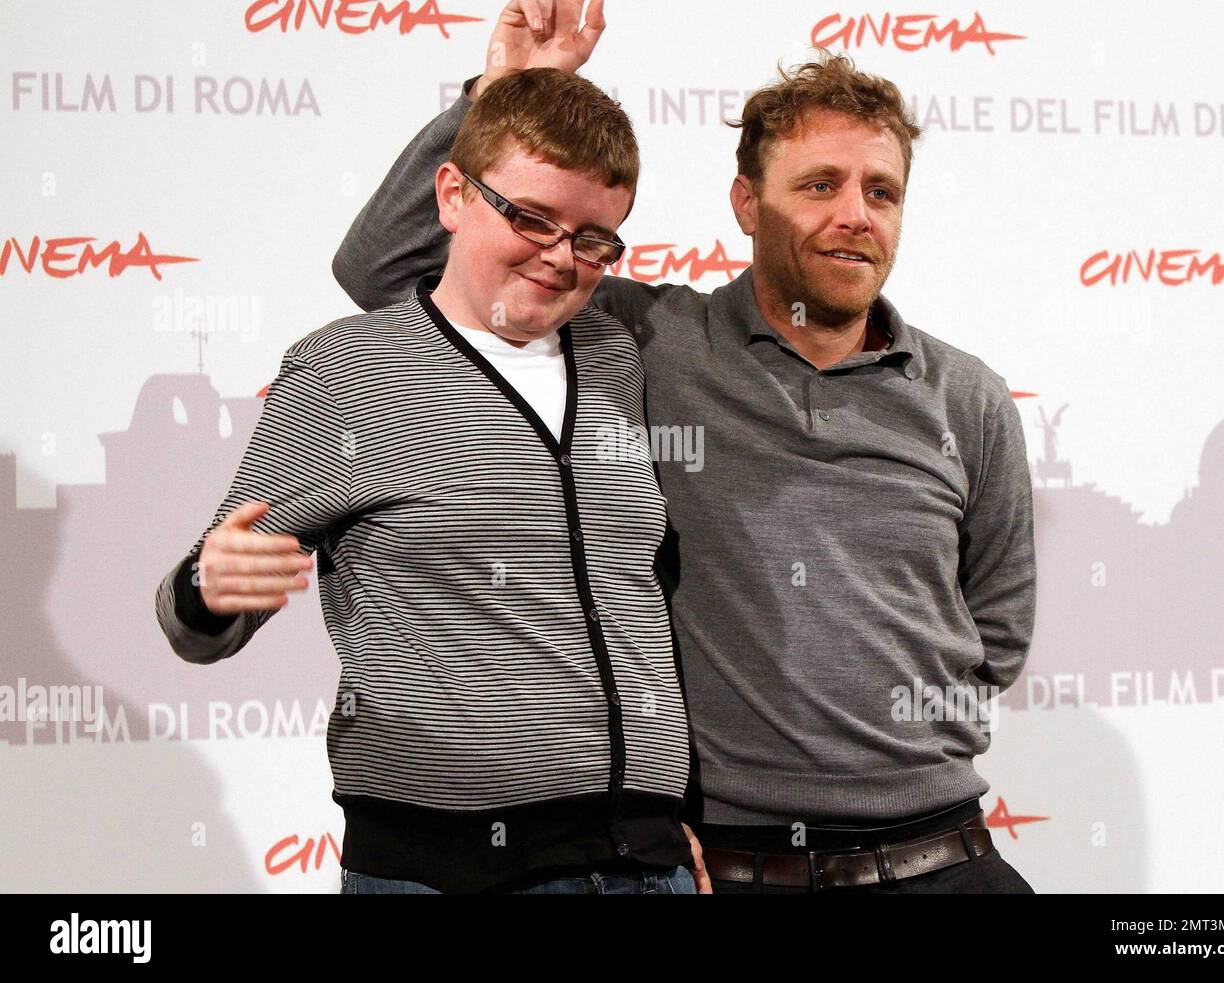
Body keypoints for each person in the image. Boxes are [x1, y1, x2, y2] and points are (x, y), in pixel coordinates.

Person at [333, 0, 1039, 894]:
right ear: (746, 202)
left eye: (881, 191)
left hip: (946, 862)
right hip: (719, 870)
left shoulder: (967, 395)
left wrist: (890, 754)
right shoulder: (650, 338)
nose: (856, 214)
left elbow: (997, 635)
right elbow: (384, 272)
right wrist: (504, 95)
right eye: (819, 185)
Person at [155, 62, 710, 895]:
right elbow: (196, 616)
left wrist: (678, 816)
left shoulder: (620, 357)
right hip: (443, 872)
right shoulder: (346, 369)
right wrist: (207, 583)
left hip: (646, 863)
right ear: (450, 196)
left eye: (593, 237)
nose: (561, 258)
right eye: (532, 217)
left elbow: (643, 604)